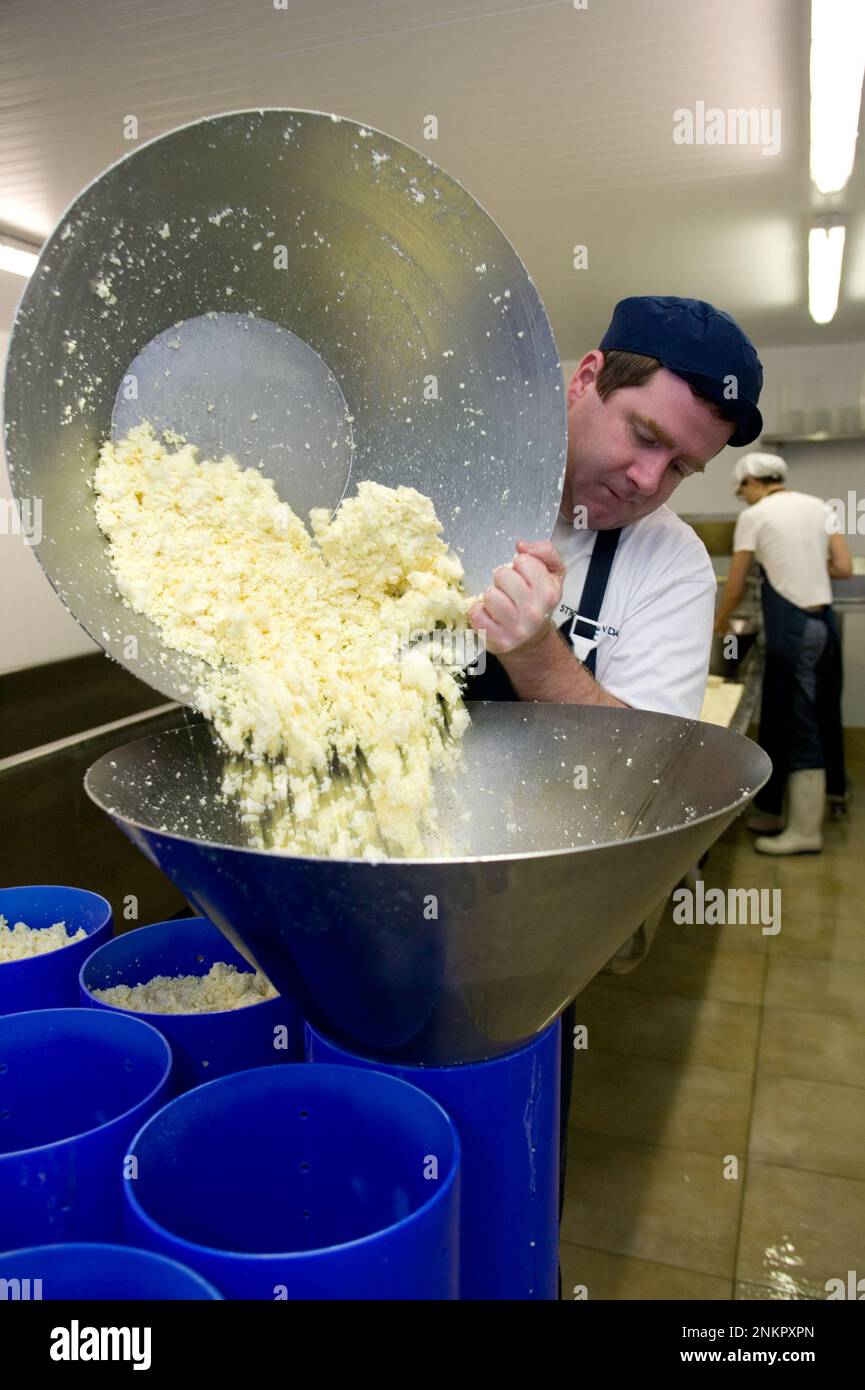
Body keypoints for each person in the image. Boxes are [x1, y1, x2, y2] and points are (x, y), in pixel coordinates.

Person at [465, 294, 764, 1254]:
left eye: (680, 466)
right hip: (346, 877)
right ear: (587, 377)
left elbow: (660, 770)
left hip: (524, 923)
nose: (647, 479)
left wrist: (542, 657)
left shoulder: (667, 564)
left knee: (498, 1176)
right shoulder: (444, 458)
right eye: (642, 436)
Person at [714, 452, 852, 854]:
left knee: (798, 722)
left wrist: (719, 623)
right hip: (822, 626)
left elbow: (735, 585)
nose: (745, 499)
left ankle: (806, 832)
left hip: (792, 628)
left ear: (753, 481)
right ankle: (774, 811)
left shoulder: (755, 517)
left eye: (743, 491)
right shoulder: (819, 507)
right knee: (802, 712)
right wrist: (806, 563)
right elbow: (842, 567)